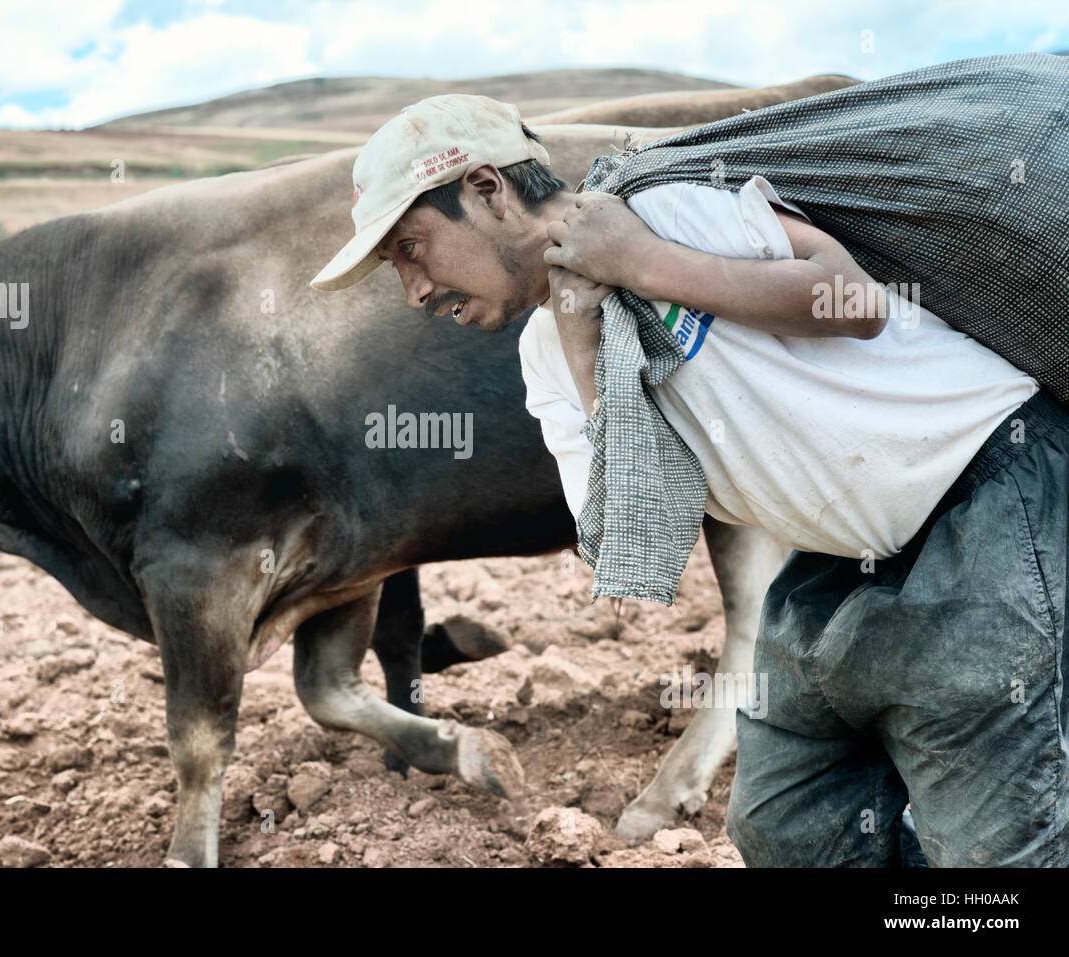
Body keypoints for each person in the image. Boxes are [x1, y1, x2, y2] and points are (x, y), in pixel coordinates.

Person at [310, 93, 1069, 867]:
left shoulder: (666, 206)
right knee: (788, 826)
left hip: (990, 489)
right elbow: (631, 533)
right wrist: (581, 347)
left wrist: (642, 263)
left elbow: (854, 301)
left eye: (411, 247)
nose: (413, 289)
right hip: (844, 560)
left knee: (996, 854)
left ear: (486, 190)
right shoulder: (543, 356)